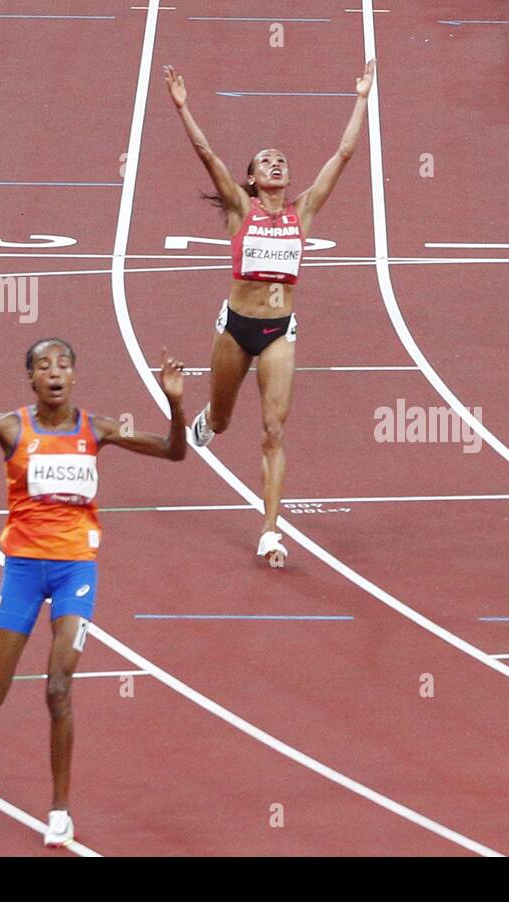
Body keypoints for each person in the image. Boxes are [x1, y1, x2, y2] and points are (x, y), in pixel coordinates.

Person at [0, 339, 187, 845]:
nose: (55, 372)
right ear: (32, 379)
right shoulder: (9, 427)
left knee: (58, 687)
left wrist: (173, 401)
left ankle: (60, 809)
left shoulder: (97, 429)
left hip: (75, 570)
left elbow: (174, 451)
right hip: (22, 569)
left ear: (75, 376)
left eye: (63, 364)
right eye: (44, 366)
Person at [164, 60, 375, 565]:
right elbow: (205, 153)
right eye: (266, 161)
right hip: (235, 330)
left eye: (282, 159)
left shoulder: (303, 211)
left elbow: (344, 154)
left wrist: (361, 99)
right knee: (224, 416)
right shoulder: (241, 209)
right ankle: (210, 421)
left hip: (280, 331)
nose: (277, 164)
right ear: (253, 179)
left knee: (274, 430)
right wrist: (183, 107)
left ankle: (269, 531)